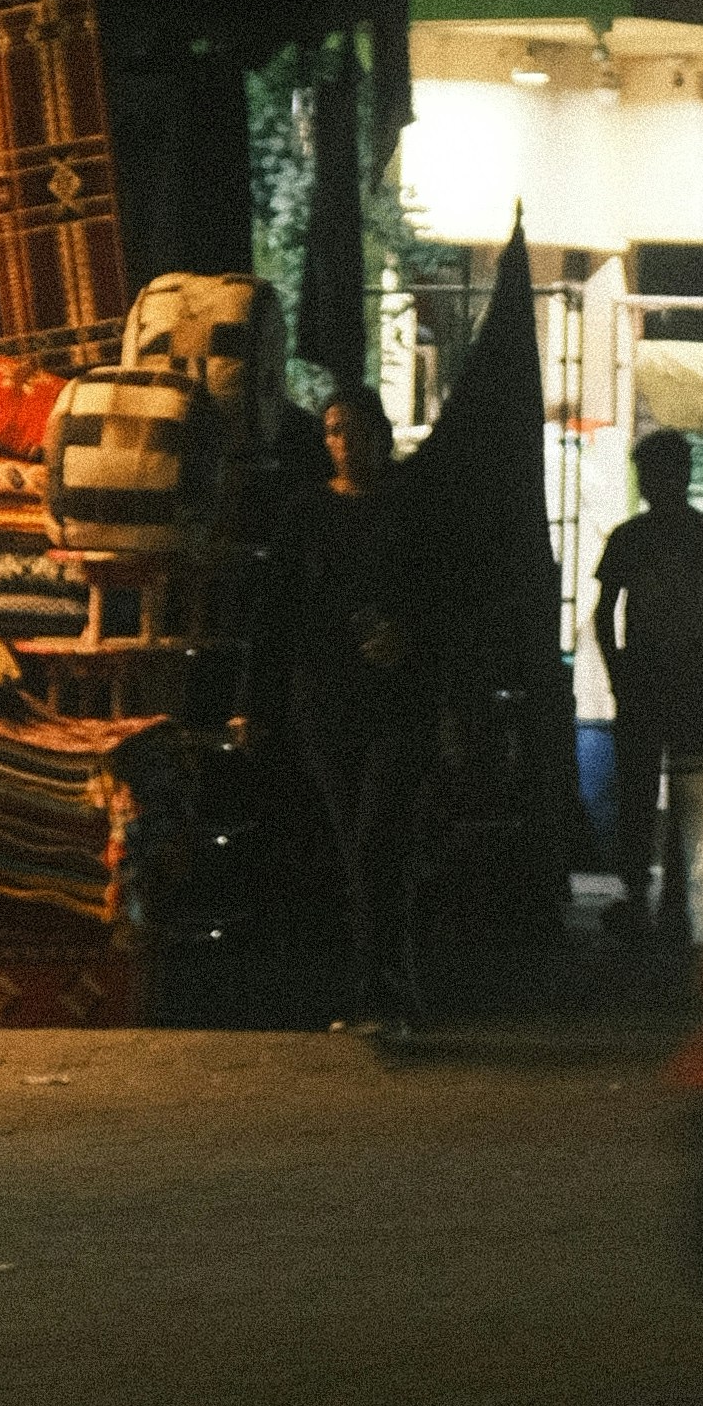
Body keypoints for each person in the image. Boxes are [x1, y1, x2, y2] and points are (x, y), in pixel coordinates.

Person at [273, 387, 438, 1046]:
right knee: (358, 849)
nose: (345, 441)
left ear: (381, 434)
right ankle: (385, 985)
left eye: (356, 428)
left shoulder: (415, 511)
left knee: (378, 841)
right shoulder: (306, 514)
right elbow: (279, 611)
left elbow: (449, 600)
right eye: (334, 430)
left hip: (399, 704)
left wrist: (409, 637)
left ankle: (387, 984)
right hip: (328, 702)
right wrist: (255, 704)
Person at [593, 428, 703, 953]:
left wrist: (619, 671)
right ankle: (676, 899)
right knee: (688, 791)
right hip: (691, 683)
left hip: (644, 681)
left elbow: (604, 613)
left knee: (638, 793)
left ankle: (639, 894)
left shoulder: (629, 538)